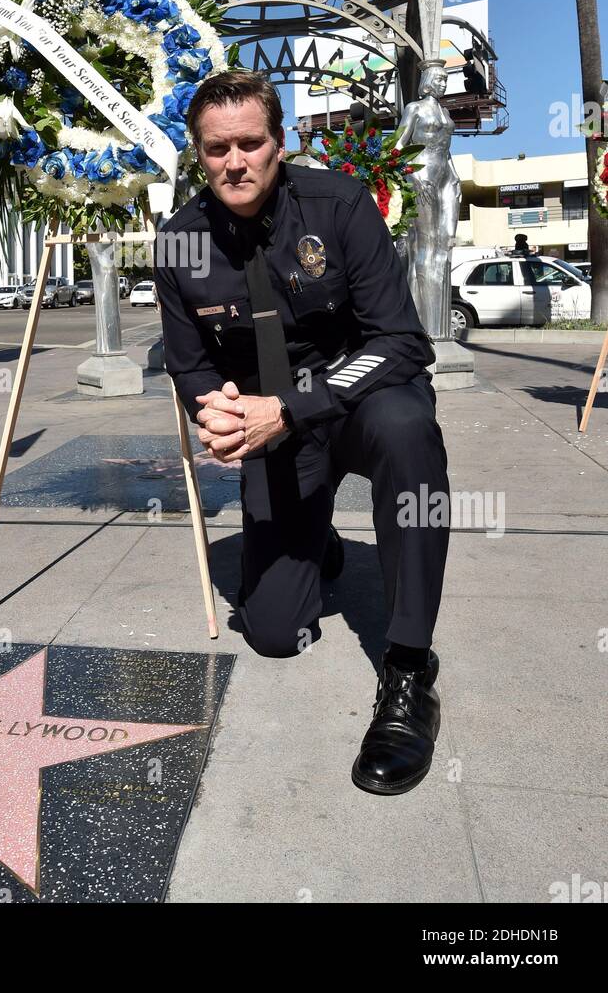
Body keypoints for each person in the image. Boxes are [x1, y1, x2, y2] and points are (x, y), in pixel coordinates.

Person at [153, 71, 451, 795]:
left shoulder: (340, 205)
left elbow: (405, 343)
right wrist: (213, 411)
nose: (235, 162)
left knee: (409, 429)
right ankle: (320, 543)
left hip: (359, 401)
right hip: (272, 427)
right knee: (278, 633)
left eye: (250, 143)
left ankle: (410, 669)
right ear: (198, 154)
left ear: (278, 144)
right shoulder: (178, 243)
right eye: (217, 148)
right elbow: (185, 365)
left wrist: (291, 406)